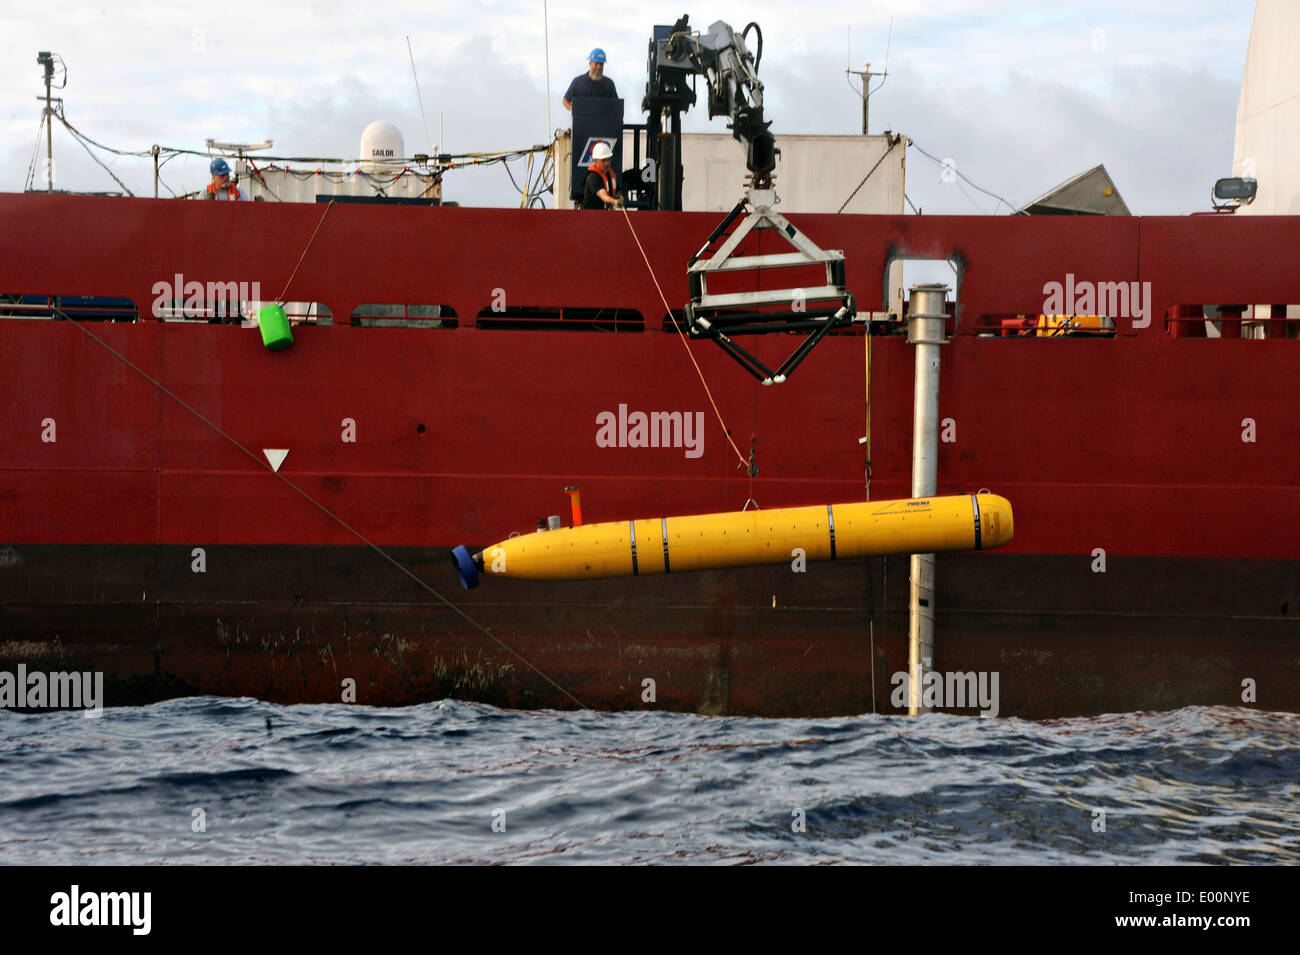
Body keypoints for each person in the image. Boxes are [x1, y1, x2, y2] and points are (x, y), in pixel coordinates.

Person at [581, 141, 622, 210]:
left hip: (603, 213)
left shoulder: (611, 175)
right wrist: (614, 201)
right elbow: (604, 196)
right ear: (596, 161)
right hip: (589, 215)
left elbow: (617, 191)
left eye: (608, 160)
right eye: (603, 160)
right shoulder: (593, 177)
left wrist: (620, 197)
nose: (606, 163)